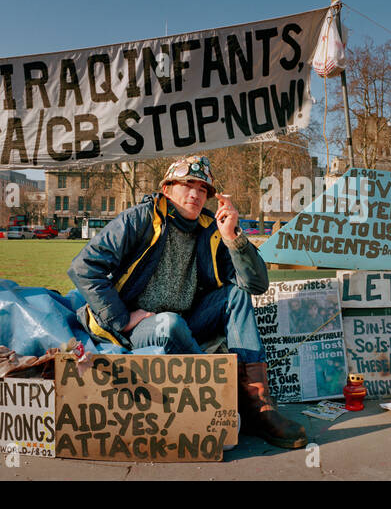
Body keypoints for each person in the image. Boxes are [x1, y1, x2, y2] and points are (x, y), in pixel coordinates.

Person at [68, 155, 306, 449]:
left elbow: (255, 285)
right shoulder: (140, 219)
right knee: (169, 324)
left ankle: (258, 406)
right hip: (136, 325)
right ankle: (220, 400)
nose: (195, 193)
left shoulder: (210, 229)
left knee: (236, 295)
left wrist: (233, 237)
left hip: (187, 319)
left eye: (203, 189)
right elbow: (84, 267)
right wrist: (121, 318)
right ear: (167, 188)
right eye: (187, 185)